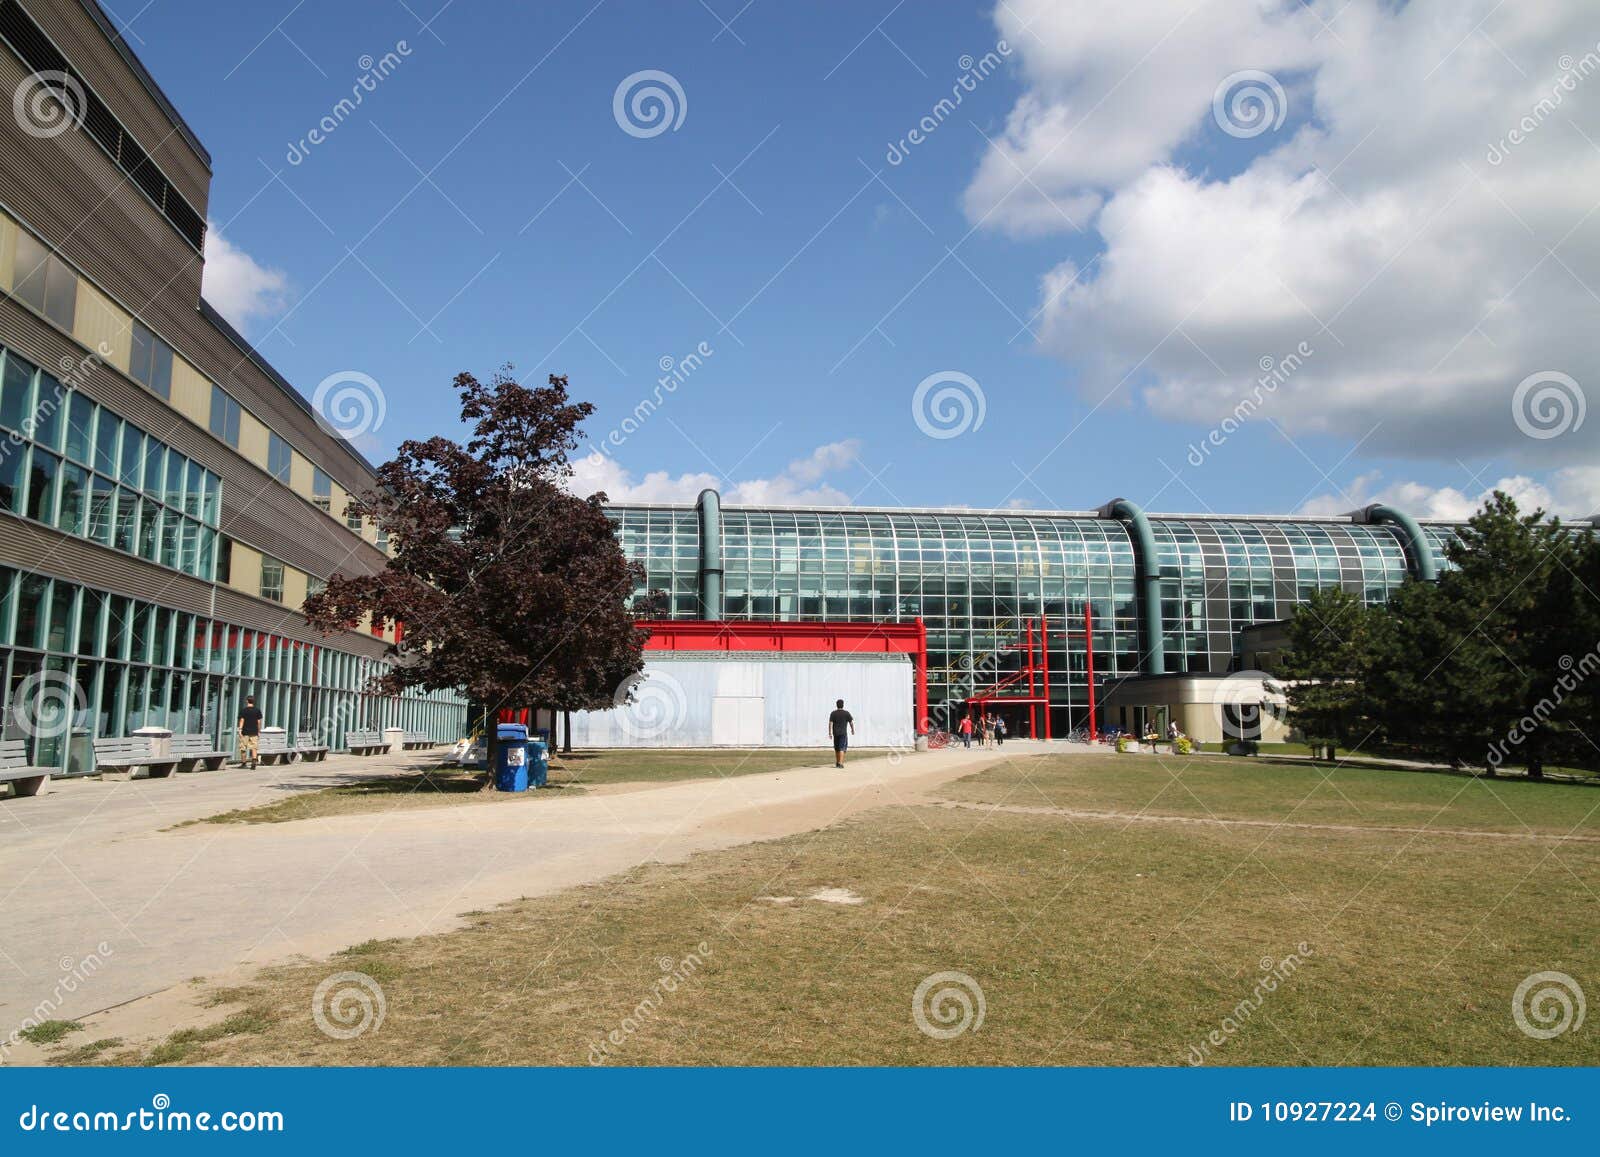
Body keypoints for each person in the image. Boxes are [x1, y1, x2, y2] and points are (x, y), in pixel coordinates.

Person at [237, 694, 263, 769]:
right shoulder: (257, 710)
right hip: (254, 731)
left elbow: (242, 720)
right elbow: (258, 722)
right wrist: (258, 731)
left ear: (247, 701)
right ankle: (253, 763)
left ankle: (244, 763)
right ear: (253, 701)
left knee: (243, 747)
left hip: (245, 732)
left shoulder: (244, 710)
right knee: (254, 747)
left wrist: (240, 729)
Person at [828, 698, 854, 768]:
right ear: (843, 705)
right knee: (842, 748)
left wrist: (830, 733)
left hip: (835, 733)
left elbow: (830, 723)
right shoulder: (846, 713)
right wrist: (852, 730)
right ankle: (841, 763)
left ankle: (837, 762)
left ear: (836, 705)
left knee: (837, 748)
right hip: (843, 733)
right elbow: (851, 722)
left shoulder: (833, 713)